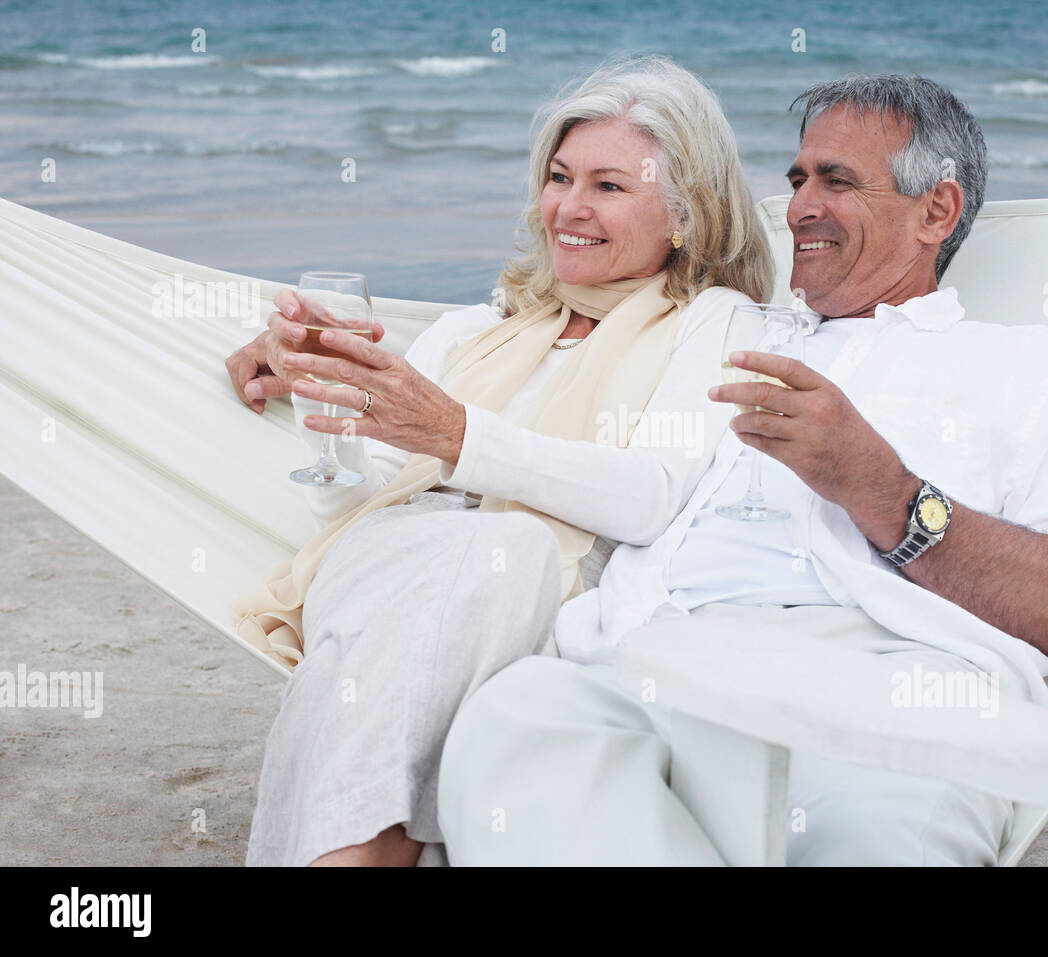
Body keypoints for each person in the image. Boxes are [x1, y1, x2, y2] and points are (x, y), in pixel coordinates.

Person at [434, 73, 1048, 865]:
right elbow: (535, 336)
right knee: (511, 722)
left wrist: (883, 489)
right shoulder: (717, 327)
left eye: (837, 181)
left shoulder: (1036, 370)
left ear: (937, 212)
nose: (798, 207)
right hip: (645, 663)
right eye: (797, 179)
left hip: (889, 685)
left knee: (881, 832)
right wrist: (303, 370)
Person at [222, 55, 773, 866]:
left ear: (686, 214)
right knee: (456, 568)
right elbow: (363, 499)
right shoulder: (475, 330)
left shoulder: (715, 323)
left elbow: (650, 493)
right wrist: (320, 392)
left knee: (497, 553)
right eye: (558, 177)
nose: (568, 209)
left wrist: (455, 434)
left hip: (533, 585)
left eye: (609, 186)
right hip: (388, 564)